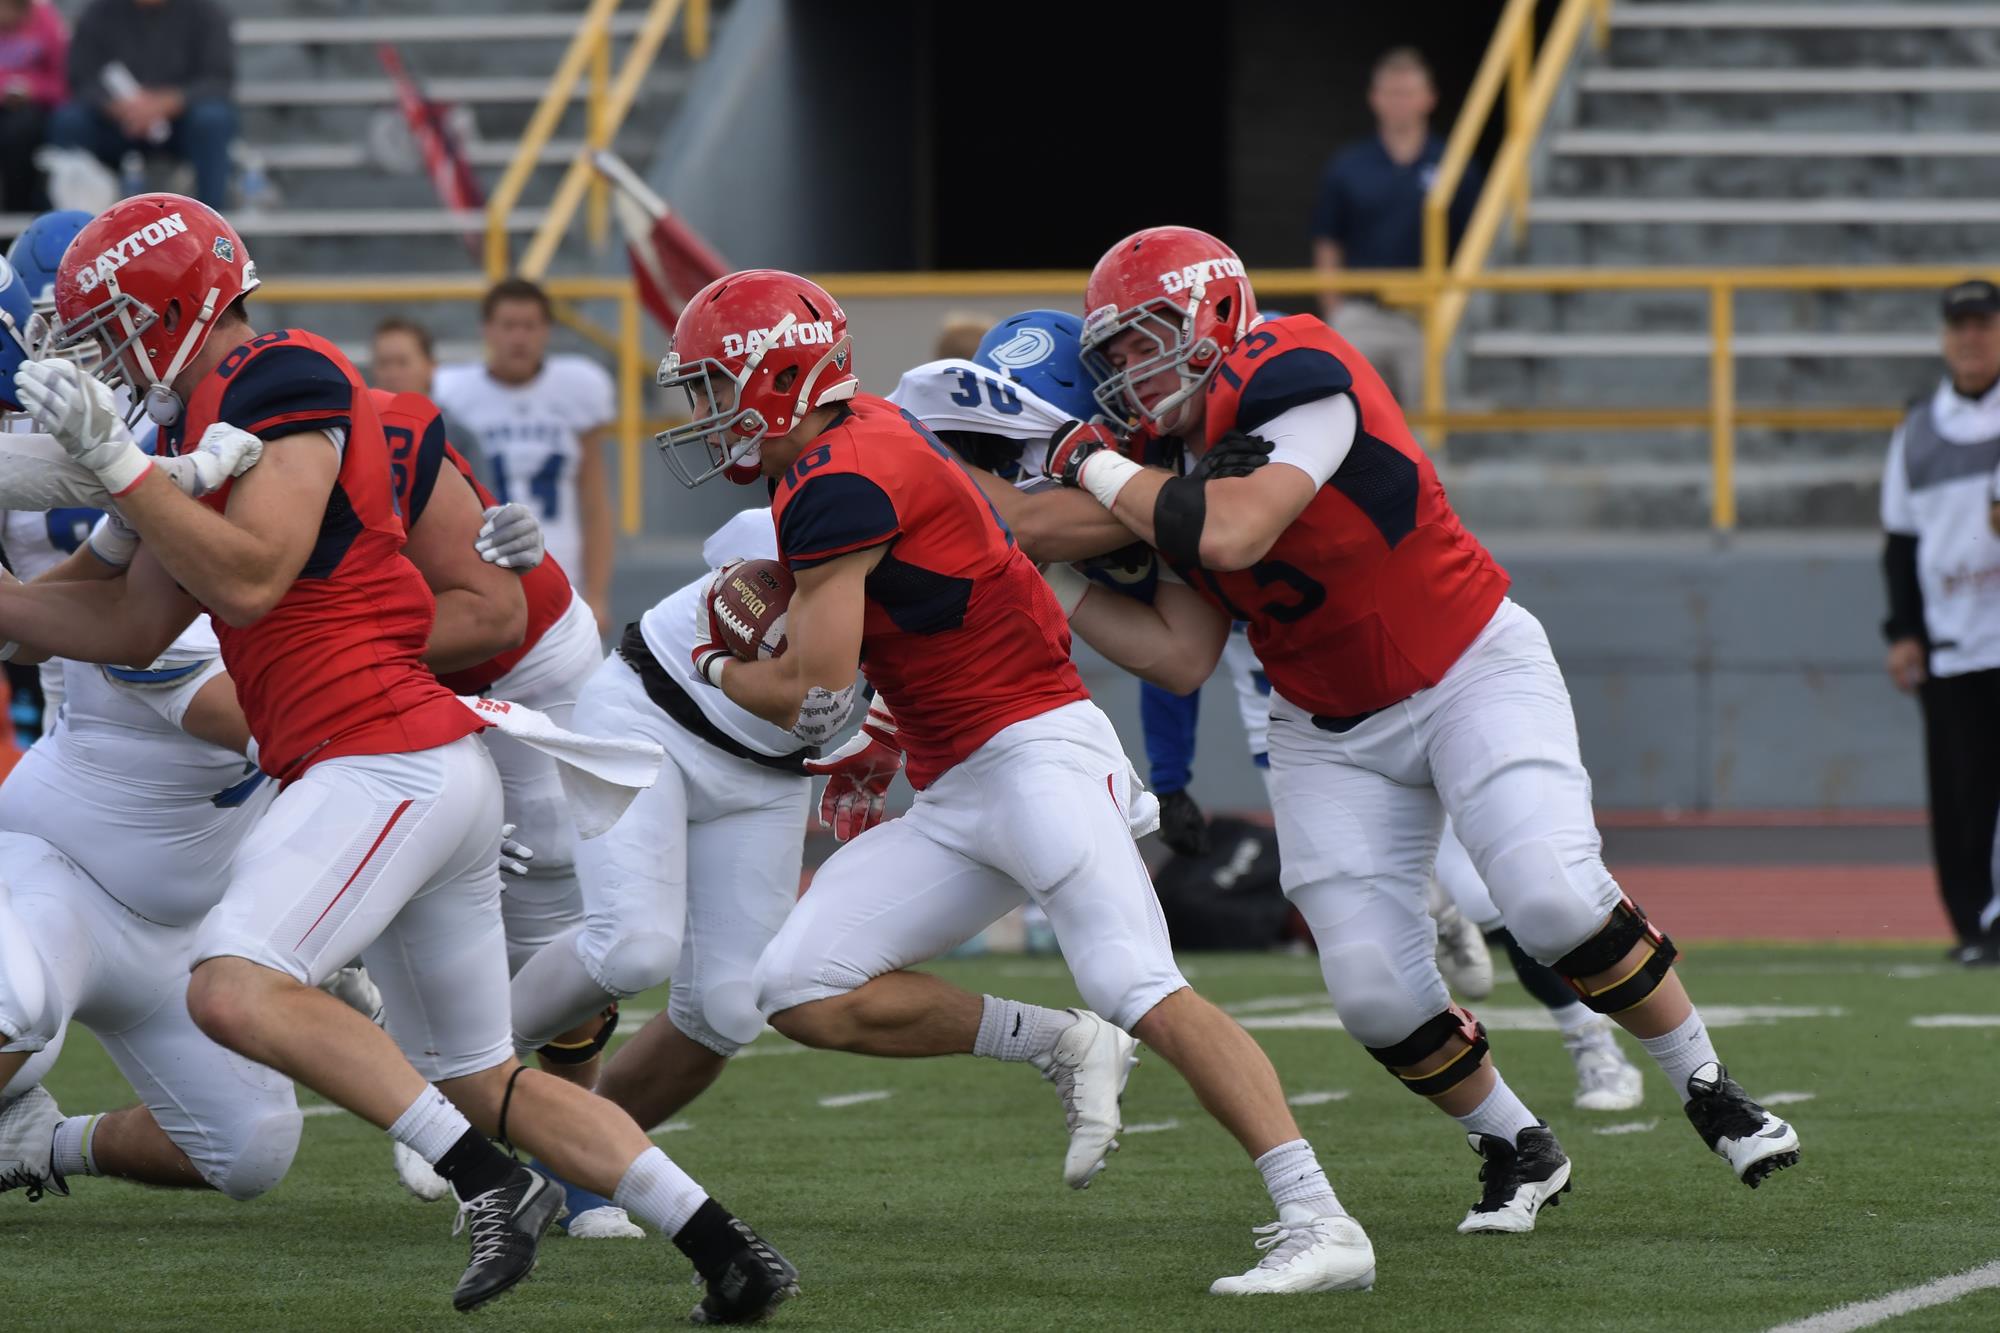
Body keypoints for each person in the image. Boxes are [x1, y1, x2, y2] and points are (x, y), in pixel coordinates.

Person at [0, 194, 795, 1321]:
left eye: (115, 327)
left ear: (175, 306)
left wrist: (121, 468)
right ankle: (723, 1245)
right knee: (479, 1075)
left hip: (384, 754)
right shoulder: (199, 428)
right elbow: (126, 624)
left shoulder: (279, 370)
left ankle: (486, 1182)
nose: (108, 360)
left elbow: (251, 576)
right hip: (410, 766)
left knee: (233, 986)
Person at [1038, 225, 1801, 1231]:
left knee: (1548, 896)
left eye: (1147, 340)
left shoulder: (1294, 363)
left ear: (1215, 313)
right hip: (1322, 721)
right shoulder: (1155, 460)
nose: (1134, 372)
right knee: (1368, 989)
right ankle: (1515, 1145)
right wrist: (1037, 569)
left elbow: (1227, 528)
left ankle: (1707, 1085)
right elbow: (1177, 651)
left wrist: (1087, 466)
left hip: (1464, 665)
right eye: (1116, 358)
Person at [659, 268, 1379, 1298]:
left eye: (710, 387)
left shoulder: (835, 475)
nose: (702, 416)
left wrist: (717, 662)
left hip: (1036, 750)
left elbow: (814, 692)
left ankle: (1319, 1215)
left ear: (773, 377)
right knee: (796, 989)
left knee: (1138, 982)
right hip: (958, 782)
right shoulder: (843, 440)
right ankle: (1057, 1043)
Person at [511, 504, 815, 1144]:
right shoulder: (823, 506)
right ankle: (446, 1077)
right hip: (651, 715)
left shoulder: (963, 561)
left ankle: (576, 1166)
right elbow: (731, 564)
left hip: (769, 768)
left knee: (728, 1009)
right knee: (632, 948)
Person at [1886, 278, 2000, 966]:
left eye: (1983, 324)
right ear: (1944, 335)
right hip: (1953, 639)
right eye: (1960, 325)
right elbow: (1900, 540)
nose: (1971, 336)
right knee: (1960, 791)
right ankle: (1971, 923)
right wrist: (1903, 630)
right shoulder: (1918, 429)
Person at [434, 278, 616, 635]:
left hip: (561, 572)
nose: (519, 338)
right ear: (487, 330)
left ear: (546, 331)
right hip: (483, 571)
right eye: (508, 326)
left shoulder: (577, 388)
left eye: (529, 326)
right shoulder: (451, 393)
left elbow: (594, 502)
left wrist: (597, 593)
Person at [1308, 47, 1482, 410]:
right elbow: (1328, 240)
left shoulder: (1454, 163)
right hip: (1361, 312)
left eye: (1407, 92)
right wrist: (1334, 308)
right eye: (1390, 92)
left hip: (1429, 312)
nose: (1399, 102)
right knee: (1351, 416)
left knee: (1432, 425)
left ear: (1428, 99)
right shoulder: (1349, 165)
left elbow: (1477, 240)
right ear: (1374, 99)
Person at [50, 0, 234, 207]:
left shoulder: (205, 12)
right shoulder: (98, 13)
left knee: (212, 120)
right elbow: (81, 78)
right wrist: (117, 106)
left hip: (181, 121)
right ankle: (77, 223)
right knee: (70, 121)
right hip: (116, 120)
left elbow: (218, 79)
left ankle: (210, 220)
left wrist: (168, 102)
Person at [370, 317, 487, 481]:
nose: (392, 373)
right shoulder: (357, 433)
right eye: (383, 363)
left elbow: (483, 503)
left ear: (431, 367)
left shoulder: (459, 438)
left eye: (402, 362)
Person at [0, 0, 68, 212]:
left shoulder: (46, 19)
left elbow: (64, 82)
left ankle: (18, 212)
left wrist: (31, 89)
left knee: (21, 131)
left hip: (32, 111)